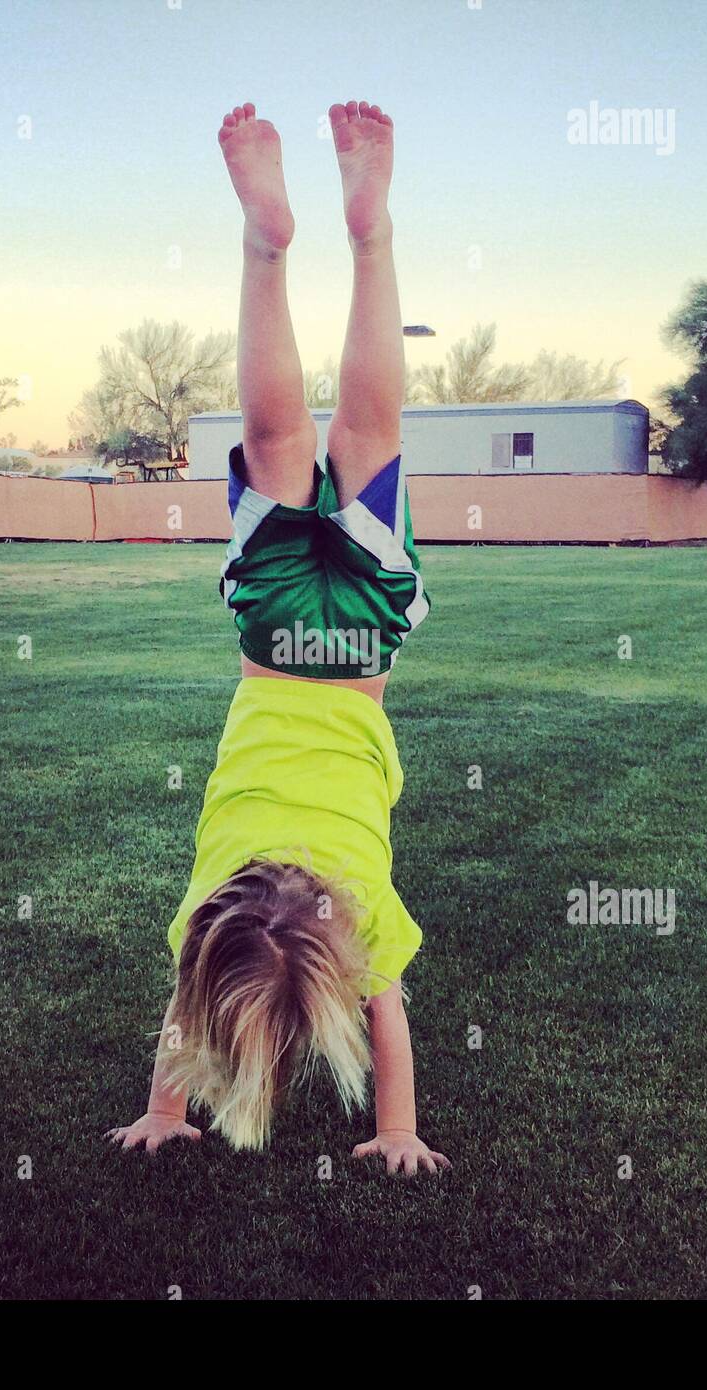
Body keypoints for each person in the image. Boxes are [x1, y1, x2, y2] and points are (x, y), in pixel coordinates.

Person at [108, 102, 446, 1176]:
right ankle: (265, 243)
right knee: (278, 438)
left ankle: (371, 233)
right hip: (271, 634)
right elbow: (183, 1012)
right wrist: (164, 1102)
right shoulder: (203, 905)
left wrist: (396, 1128)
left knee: (369, 434)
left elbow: (383, 1017)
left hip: (361, 652)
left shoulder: (362, 912)